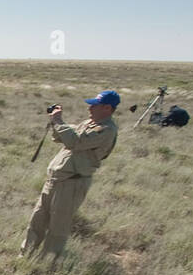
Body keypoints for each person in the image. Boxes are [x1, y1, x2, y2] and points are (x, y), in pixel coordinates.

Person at [20, 89, 119, 261]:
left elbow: (75, 141)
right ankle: (25, 256)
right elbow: (62, 138)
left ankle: (48, 262)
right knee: (37, 220)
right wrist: (55, 122)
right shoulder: (88, 123)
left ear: (108, 108)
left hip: (72, 183)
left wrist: (58, 120)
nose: (90, 108)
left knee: (58, 226)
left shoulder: (106, 130)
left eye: (95, 105)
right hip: (55, 180)